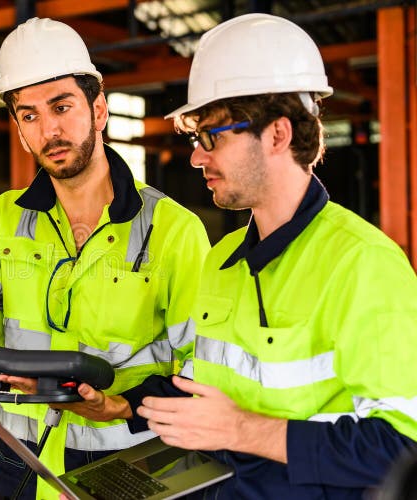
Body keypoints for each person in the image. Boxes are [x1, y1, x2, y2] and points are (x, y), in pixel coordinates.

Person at [0, 17, 210, 499]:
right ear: (19, 130)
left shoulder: (171, 229)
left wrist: (121, 405)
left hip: (127, 462)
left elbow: (204, 367)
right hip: (25, 463)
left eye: (62, 107)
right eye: (30, 115)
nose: (50, 130)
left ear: (98, 110)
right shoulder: (4, 218)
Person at [136, 13, 417, 497]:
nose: (197, 157)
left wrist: (244, 430)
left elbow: (402, 448)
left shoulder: (363, 263)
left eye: (212, 137)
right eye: (196, 139)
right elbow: (208, 398)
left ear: (277, 135)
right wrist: (117, 405)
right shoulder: (222, 260)